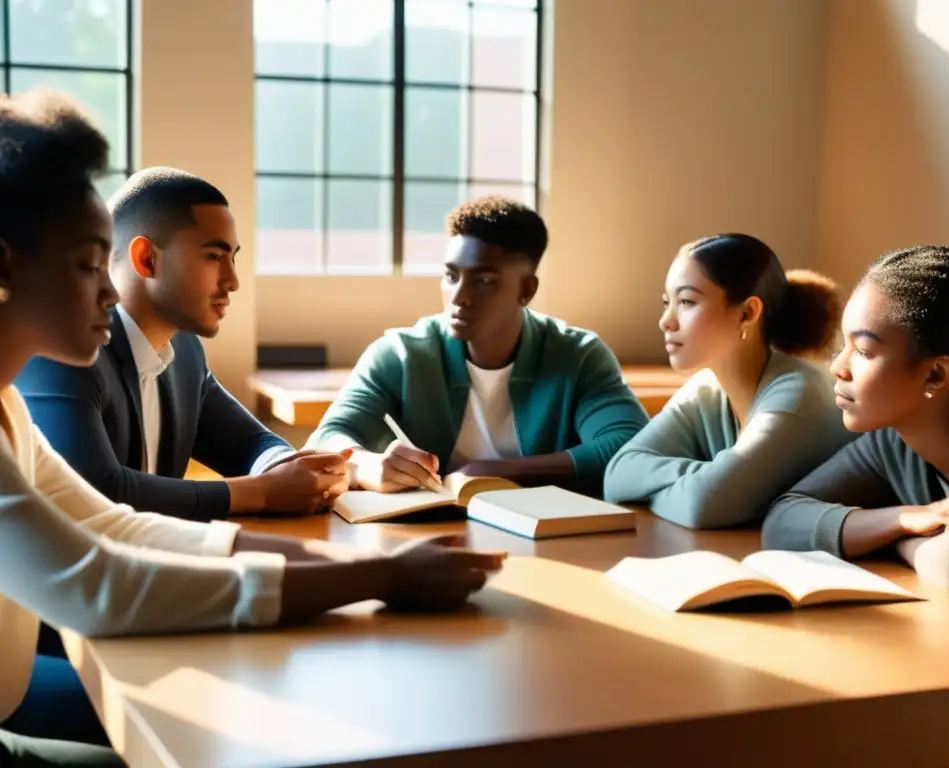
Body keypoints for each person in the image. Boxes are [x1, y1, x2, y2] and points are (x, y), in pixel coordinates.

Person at [0, 89, 503, 767]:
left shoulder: (11, 408)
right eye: (91, 265)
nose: (111, 292)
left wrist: (361, 565)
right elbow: (100, 583)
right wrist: (376, 579)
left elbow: (116, 526)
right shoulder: (50, 378)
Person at [15, 166, 345, 522]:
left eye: (233, 258)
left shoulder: (184, 350)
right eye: (214, 257)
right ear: (147, 258)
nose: (233, 281)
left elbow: (250, 443)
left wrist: (294, 470)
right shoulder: (65, 347)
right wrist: (265, 492)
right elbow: (92, 491)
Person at [305, 196, 649, 498]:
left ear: (526, 290)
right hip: (425, 541)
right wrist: (366, 466)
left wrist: (498, 471)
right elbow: (326, 437)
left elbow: (627, 445)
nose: (460, 297)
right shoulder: (400, 355)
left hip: (546, 536)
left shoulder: (579, 355)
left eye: (484, 281)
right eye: (451, 276)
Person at [762, 245, 949, 606]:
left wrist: (903, 544)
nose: (838, 366)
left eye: (865, 351)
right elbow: (783, 521)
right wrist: (905, 519)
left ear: (936, 374)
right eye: (843, 345)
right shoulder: (895, 441)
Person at [604, 233, 852, 528]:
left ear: (747, 313)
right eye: (666, 302)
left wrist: (671, 488)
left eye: (685, 301)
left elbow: (704, 505)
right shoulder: (706, 386)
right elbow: (618, 476)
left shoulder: (799, 391)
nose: (666, 321)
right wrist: (709, 476)